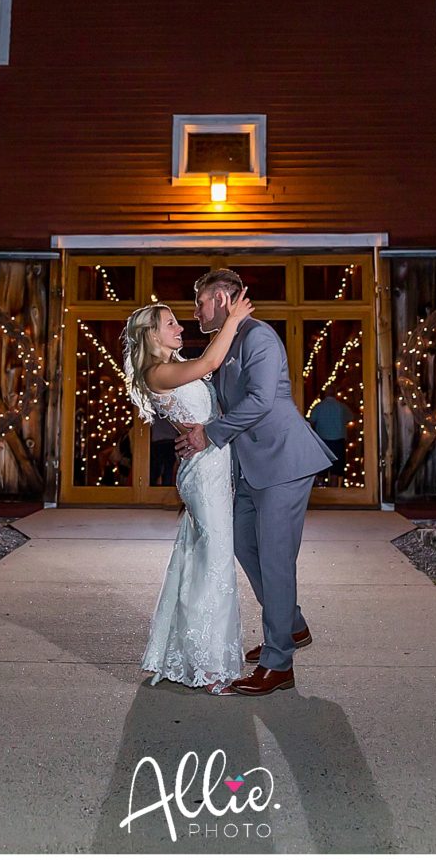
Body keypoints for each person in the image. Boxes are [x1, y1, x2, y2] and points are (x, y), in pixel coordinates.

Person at [176, 269, 336, 697]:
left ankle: (278, 663)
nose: (195, 313)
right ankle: (293, 625)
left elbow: (263, 401)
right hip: (251, 467)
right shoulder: (227, 341)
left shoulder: (259, 337)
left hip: (282, 462)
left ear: (223, 300)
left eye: (200, 302)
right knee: (243, 543)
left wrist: (208, 434)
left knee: (276, 559)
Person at [122, 288, 254, 695]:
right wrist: (233, 319)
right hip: (204, 474)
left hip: (211, 467)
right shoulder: (157, 373)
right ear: (152, 336)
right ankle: (211, 668)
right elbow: (212, 361)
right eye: (171, 324)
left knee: (199, 561)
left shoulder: (173, 365)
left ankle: (188, 655)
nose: (181, 328)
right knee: (213, 564)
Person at [307, 394, 354, 487]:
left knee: (321, 469)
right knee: (335, 471)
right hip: (338, 441)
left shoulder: (319, 407)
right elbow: (350, 418)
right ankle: (333, 492)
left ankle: (320, 492)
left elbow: (311, 420)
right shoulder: (341, 406)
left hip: (322, 441)